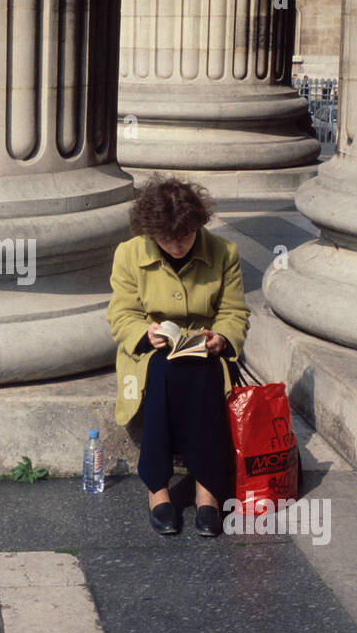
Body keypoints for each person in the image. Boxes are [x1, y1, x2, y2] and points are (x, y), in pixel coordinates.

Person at [106, 177, 250, 538]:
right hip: (151, 351)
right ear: (151, 233)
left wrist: (222, 338)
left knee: (203, 375)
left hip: (205, 349)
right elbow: (121, 315)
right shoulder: (128, 254)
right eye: (166, 239)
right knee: (162, 373)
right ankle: (158, 489)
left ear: (197, 226)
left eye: (183, 237)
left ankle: (208, 490)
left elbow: (234, 313)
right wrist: (145, 333)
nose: (176, 246)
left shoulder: (224, 253)